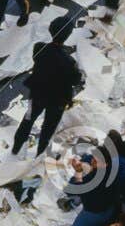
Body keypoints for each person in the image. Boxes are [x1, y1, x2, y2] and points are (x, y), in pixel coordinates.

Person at [13, 21, 84, 154]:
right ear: (68, 36)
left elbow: (38, 61)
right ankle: (39, 154)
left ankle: (16, 146)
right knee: (48, 128)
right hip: (57, 101)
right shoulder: (69, 61)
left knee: (27, 120)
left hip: (37, 93)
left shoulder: (39, 47)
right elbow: (75, 80)